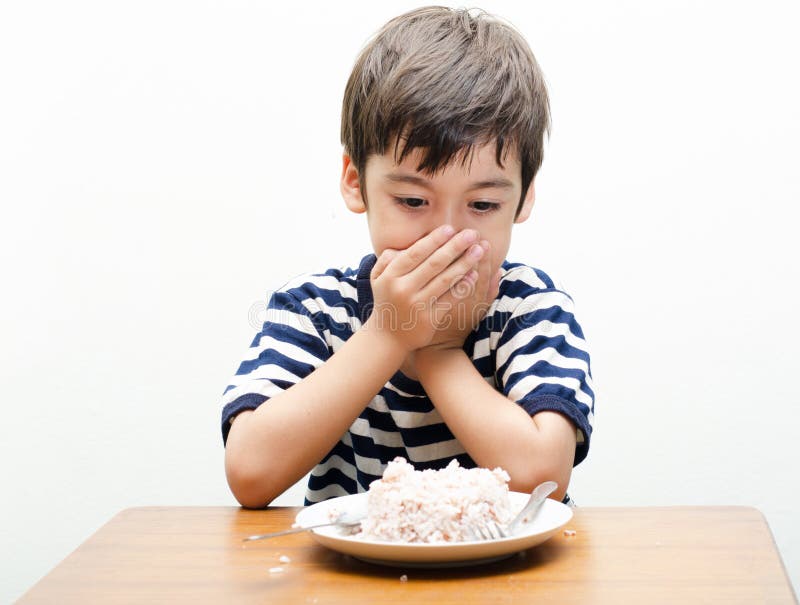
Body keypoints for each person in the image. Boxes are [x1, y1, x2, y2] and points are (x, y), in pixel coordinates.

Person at [221, 6, 594, 508]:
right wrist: (389, 333)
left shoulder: (531, 310)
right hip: (352, 583)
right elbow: (250, 472)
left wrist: (437, 351)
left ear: (523, 199)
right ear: (356, 182)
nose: (446, 236)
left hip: (507, 583)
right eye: (413, 201)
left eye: (482, 205)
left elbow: (541, 478)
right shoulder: (314, 310)